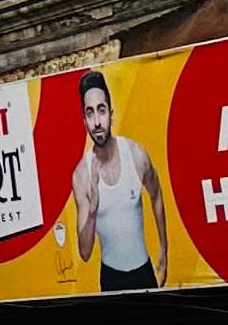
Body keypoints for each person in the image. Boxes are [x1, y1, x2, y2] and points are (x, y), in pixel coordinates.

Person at [64, 69, 171, 290]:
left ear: (111, 114)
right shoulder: (81, 175)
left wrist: (163, 248)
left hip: (144, 272)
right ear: (84, 120)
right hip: (110, 279)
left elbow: (157, 194)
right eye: (90, 113)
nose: (97, 122)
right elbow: (84, 253)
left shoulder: (136, 154)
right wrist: (92, 210)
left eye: (101, 110)